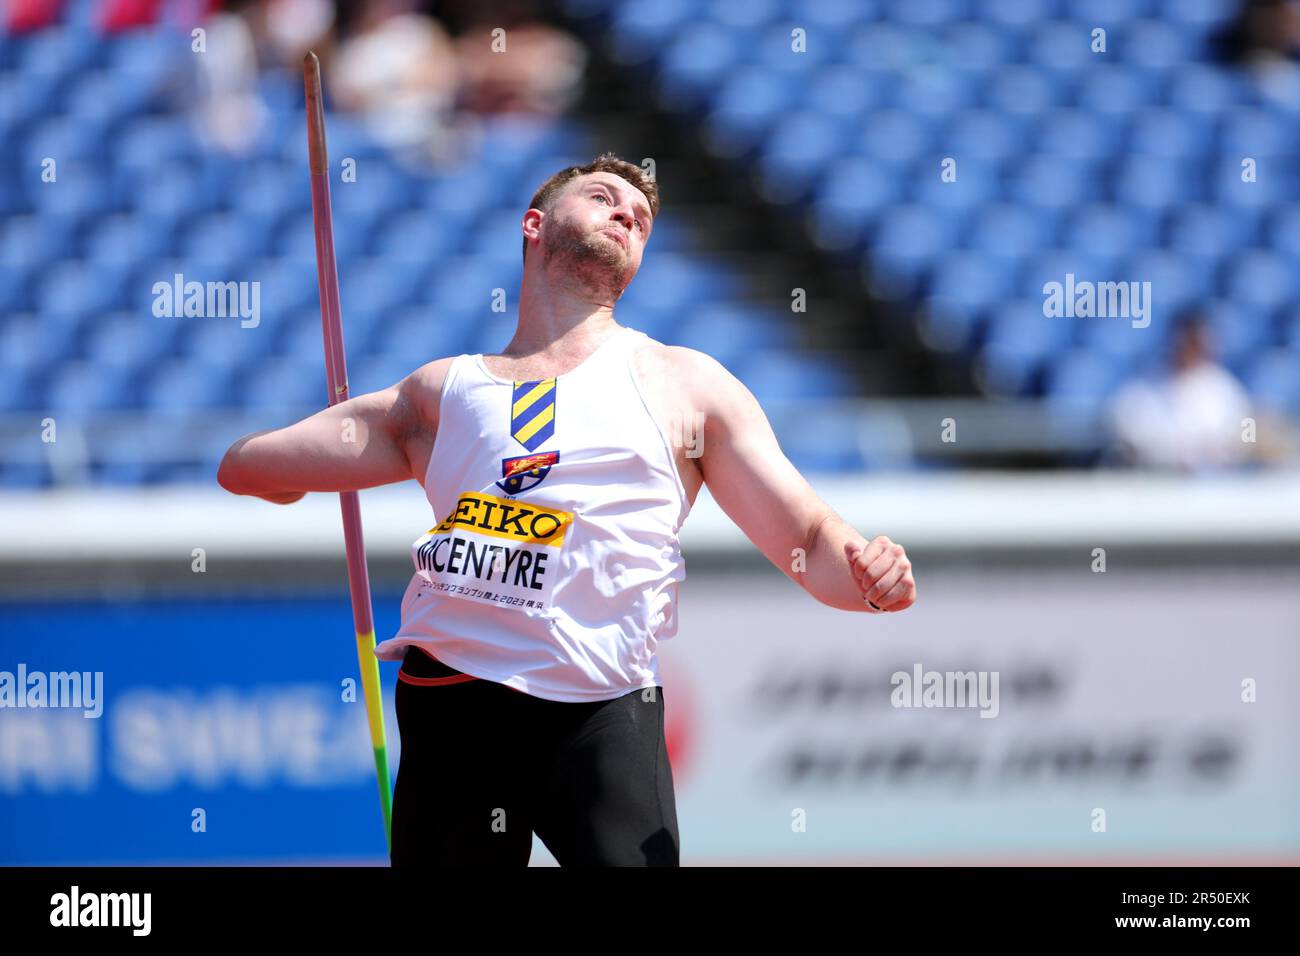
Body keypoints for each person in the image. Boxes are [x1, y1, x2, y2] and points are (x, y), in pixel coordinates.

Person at [216, 153, 917, 866]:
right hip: (455, 696)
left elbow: (805, 535)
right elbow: (246, 468)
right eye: (604, 198)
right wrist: (294, 474)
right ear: (534, 224)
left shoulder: (685, 384)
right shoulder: (442, 393)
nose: (626, 214)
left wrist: (864, 576)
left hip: (601, 710)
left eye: (640, 220)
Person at [1108, 311, 1254, 472]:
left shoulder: (1223, 388)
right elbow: (1132, 435)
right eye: (1185, 342)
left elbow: (1243, 434)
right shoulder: (1144, 387)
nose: (1188, 349)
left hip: (1213, 483)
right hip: (1156, 480)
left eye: (1195, 343)